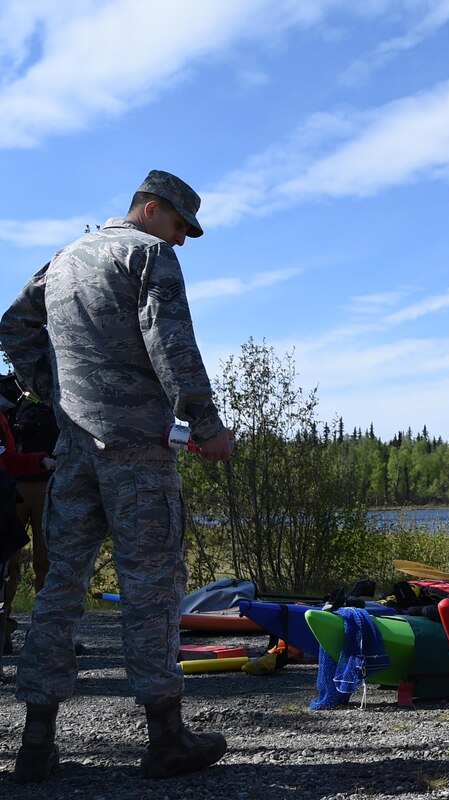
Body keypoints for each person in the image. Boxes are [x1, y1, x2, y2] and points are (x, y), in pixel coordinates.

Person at [0, 169, 235, 783]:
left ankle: (36, 743)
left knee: (59, 590)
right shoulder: (148, 254)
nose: (181, 239)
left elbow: (15, 325)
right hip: (137, 457)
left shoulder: (64, 258)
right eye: (181, 225)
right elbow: (172, 343)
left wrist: (53, 395)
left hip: (76, 451)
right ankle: (165, 737)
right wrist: (207, 424)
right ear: (152, 208)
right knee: (153, 588)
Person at [1, 383, 60, 655]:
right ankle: (4, 630)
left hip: (48, 485)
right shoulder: (11, 399)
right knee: (8, 561)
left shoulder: (59, 396)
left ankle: (45, 632)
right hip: (12, 487)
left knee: (46, 562)